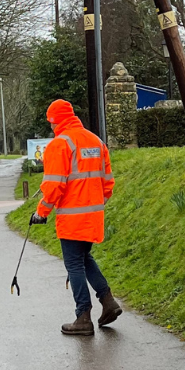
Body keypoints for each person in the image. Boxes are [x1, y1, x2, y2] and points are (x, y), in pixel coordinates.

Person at [29, 99, 121, 335]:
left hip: (72, 218)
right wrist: (96, 205)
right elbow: (108, 183)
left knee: (74, 264)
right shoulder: (96, 141)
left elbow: (54, 186)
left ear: (54, 121)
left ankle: (83, 316)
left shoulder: (60, 145)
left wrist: (41, 213)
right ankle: (108, 302)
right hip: (93, 216)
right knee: (84, 258)